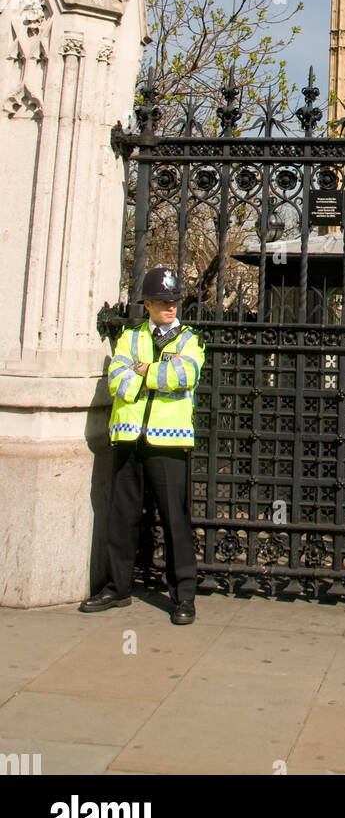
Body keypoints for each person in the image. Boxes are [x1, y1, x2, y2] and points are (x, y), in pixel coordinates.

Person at [79, 266, 205, 625]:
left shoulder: (190, 339)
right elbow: (117, 381)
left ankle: (184, 596)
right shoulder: (129, 338)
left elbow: (185, 376)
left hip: (169, 441)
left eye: (174, 301)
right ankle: (116, 588)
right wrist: (151, 375)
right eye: (163, 302)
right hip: (129, 439)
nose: (171, 307)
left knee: (174, 521)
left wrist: (142, 371)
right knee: (121, 516)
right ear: (147, 304)